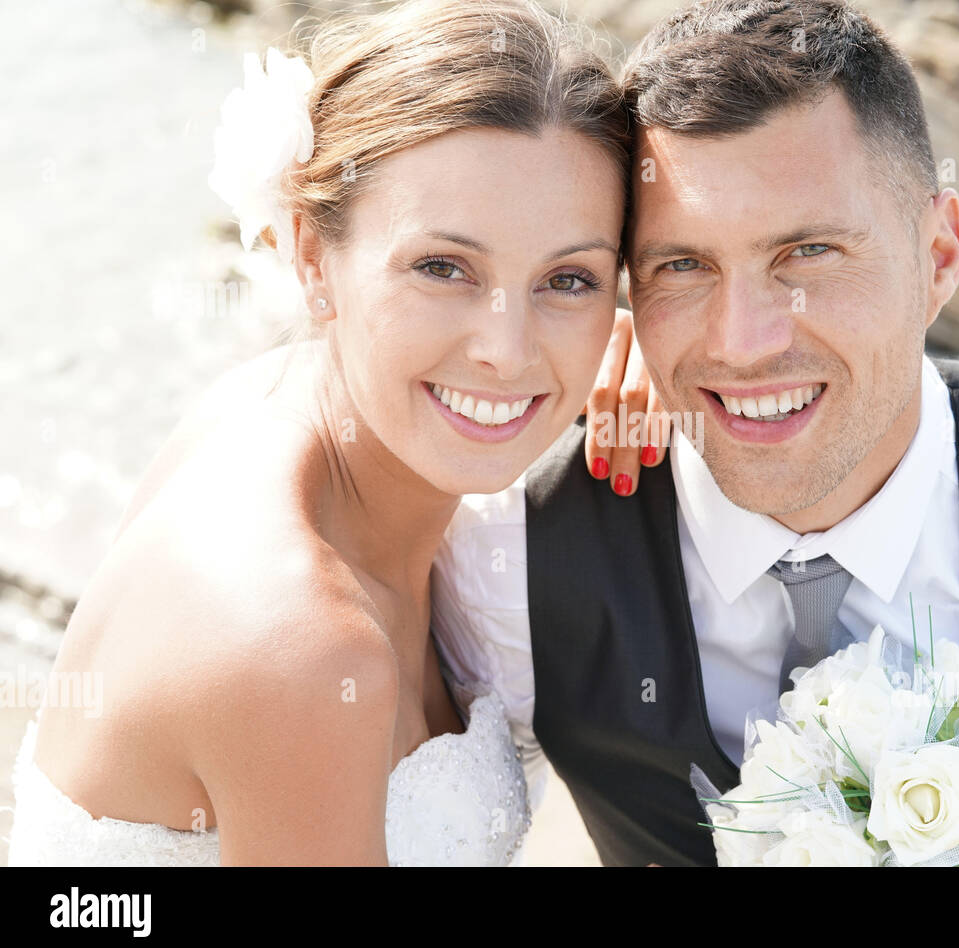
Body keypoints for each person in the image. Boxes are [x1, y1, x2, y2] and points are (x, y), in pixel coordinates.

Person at [432, 0, 959, 865]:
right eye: (683, 266)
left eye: (808, 253)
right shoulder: (509, 554)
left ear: (941, 255)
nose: (741, 342)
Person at [6, 0, 659, 866]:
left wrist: (674, 356)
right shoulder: (301, 642)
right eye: (442, 267)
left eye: (567, 279)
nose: (506, 351)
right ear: (312, 255)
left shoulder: (267, 399)